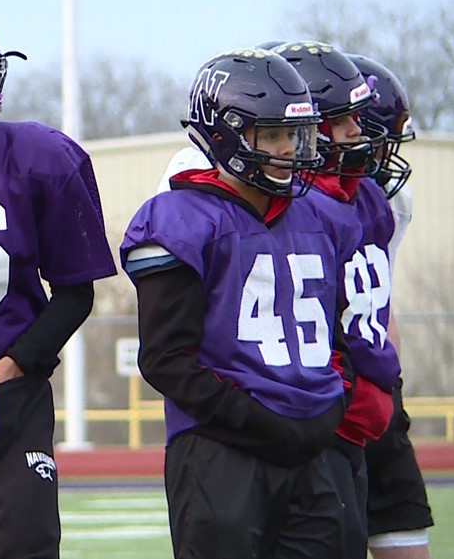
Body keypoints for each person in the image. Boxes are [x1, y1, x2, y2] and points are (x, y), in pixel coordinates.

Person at [123, 48, 358, 558]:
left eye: (294, 134)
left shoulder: (320, 215)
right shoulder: (179, 219)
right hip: (220, 448)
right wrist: (257, 419)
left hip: (314, 445)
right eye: (271, 134)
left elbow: (336, 338)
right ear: (225, 133)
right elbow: (165, 358)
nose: (286, 149)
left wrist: (328, 408)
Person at [0, 5, 117, 559]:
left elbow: (76, 289)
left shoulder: (37, 156)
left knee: (24, 541)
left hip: (11, 395)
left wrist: (12, 366)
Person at [274, 41, 402, 559]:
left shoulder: (365, 195)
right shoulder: (300, 207)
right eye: (344, 119)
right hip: (325, 416)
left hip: (359, 414)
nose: (359, 132)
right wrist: (342, 392)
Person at [347, 54, 434, 559]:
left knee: (399, 518)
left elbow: (382, 301)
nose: (384, 156)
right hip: (307, 386)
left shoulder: (389, 203)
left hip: (370, 378)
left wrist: (388, 388)